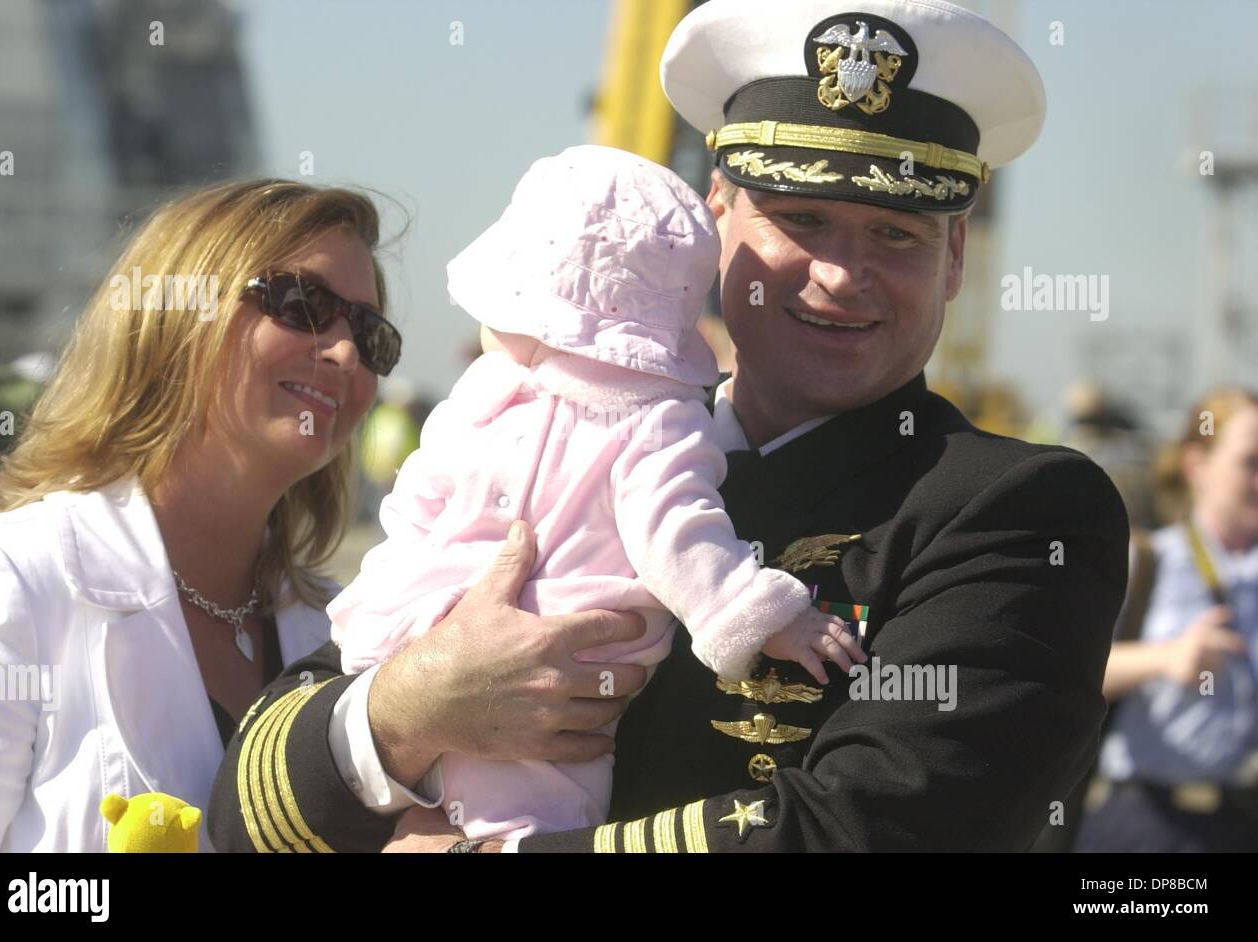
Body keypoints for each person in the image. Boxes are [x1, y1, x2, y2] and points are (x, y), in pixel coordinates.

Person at [208, 0, 1129, 854]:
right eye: (801, 218)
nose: (844, 275)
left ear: (956, 256)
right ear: (714, 217)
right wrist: (407, 710)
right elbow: (246, 809)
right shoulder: (552, 440)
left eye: (898, 235)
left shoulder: (1016, 510)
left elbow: (878, 825)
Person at [329, 145, 863, 841]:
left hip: (474, 655)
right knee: (525, 806)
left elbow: (415, 507)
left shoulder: (499, 395)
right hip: (539, 683)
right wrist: (768, 617)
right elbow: (680, 536)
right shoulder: (648, 417)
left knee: (463, 812)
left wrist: (383, 613)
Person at [0, 179, 401, 851]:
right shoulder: (6, 581)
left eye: (371, 335)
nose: (344, 352)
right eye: (304, 304)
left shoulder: (350, 627)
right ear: (177, 314)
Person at [1075, 389, 1258, 852]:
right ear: (1197, 466)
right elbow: (1064, 674)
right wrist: (1164, 659)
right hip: (1146, 823)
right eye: (1250, 463)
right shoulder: (1146, 562)